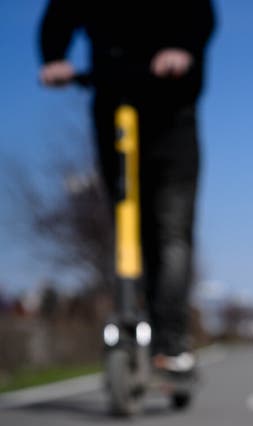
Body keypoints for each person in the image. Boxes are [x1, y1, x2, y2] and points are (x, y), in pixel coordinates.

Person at [38, 1, 217, 372]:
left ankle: (171, 342)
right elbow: (60, 14)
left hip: (172, 109)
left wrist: (181, 48)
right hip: (114, 103)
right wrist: (53, 56)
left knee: (170, 231)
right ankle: (133, 318)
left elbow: (200, 12)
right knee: (127, 224)